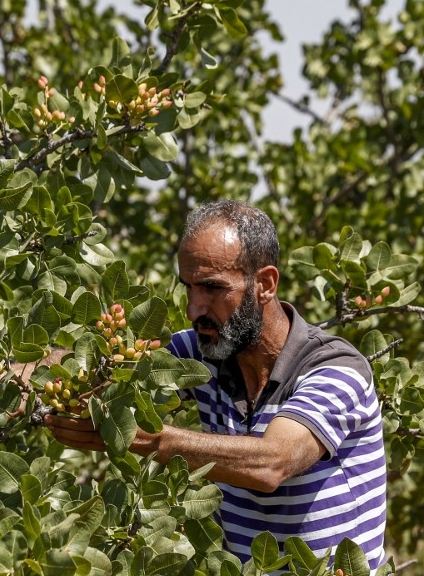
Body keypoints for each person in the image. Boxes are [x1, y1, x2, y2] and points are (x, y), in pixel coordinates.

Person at [44, 199, 387, 571]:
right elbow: (88, 372)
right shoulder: (204, 349)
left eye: (212, 288)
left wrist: (133, 434)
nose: (194, 309)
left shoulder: (335, 368)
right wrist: (9, 377)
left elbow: (272, 463)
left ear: (265, 284)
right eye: (189, 287)